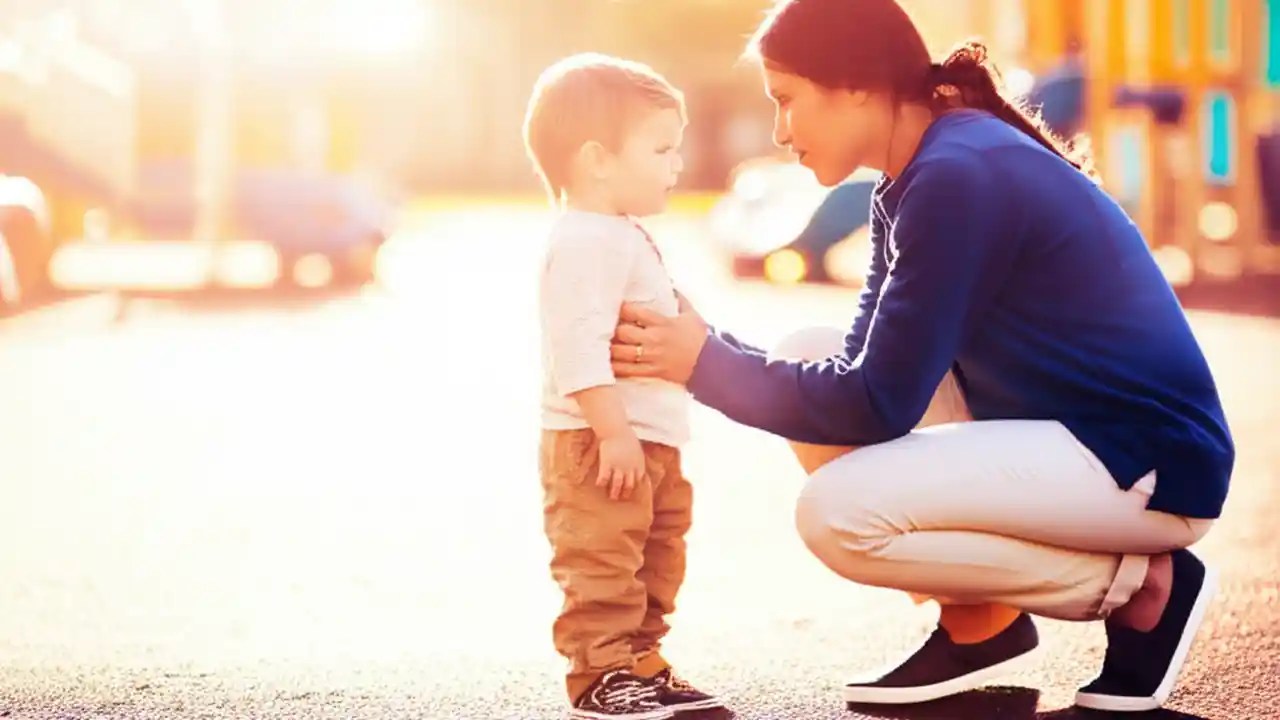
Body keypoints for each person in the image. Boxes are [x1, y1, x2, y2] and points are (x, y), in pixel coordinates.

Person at [607, 0, 1234, 713]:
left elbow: (879, 403)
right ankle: (981, 624)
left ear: (855, 86)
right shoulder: (912, 176)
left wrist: (703, 364)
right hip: (1066, 434)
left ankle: (1145, 588)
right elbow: (859, 374)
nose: (781, 131)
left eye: (787, 100)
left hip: (1147, 461)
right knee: (804, 352)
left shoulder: (958, 173)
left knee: (836, 513)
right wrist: (710, 351)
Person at [523, 53, 723, 719]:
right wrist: (612, 433)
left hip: (647, 442)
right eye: (662, 148)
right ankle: (599, 673)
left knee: (656, 560)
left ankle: (641, 659)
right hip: (598, 443)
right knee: (603, 564)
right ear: (596, 160)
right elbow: (575, 349)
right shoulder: (583, 240)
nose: (677, 164)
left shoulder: (620, 234)